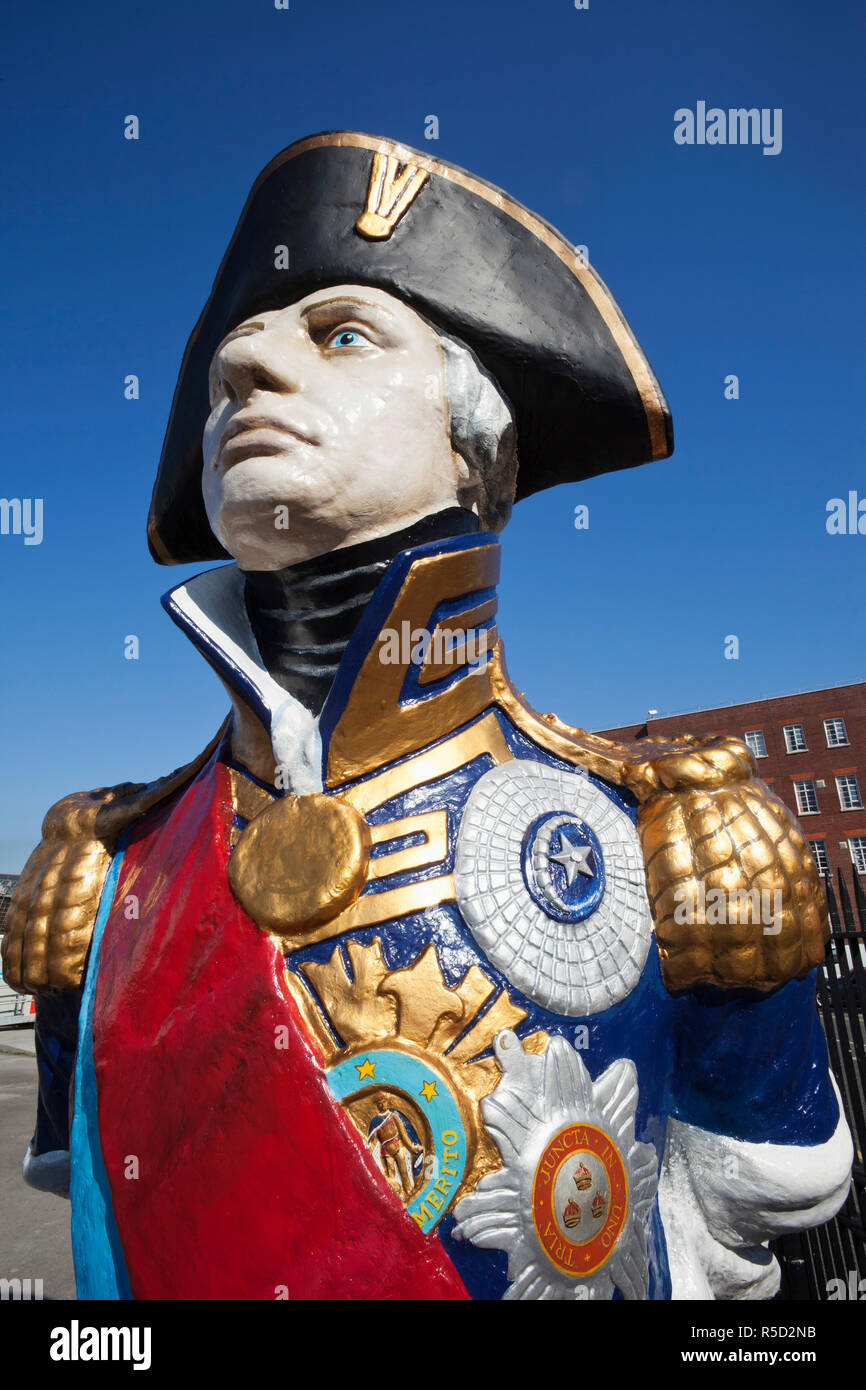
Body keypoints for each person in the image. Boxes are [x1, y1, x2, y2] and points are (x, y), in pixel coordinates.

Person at [3, 131, 851, 1301]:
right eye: (221, 373)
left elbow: (742, 1216)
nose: (245, 377)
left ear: (477, 442)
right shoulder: (106, 871)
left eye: (341, 333)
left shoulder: (669, 841)